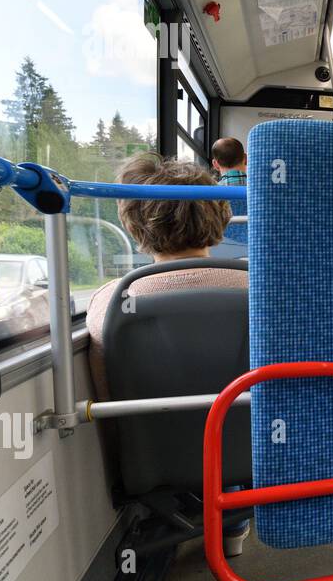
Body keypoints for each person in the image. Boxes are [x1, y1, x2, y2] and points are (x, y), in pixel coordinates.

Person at [86, 154, 247, 402]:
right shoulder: (260, 289)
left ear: (131, 225)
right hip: (254, 439)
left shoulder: (110, 302)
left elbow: (108, 401)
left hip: (146, 441)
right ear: (222, 215)